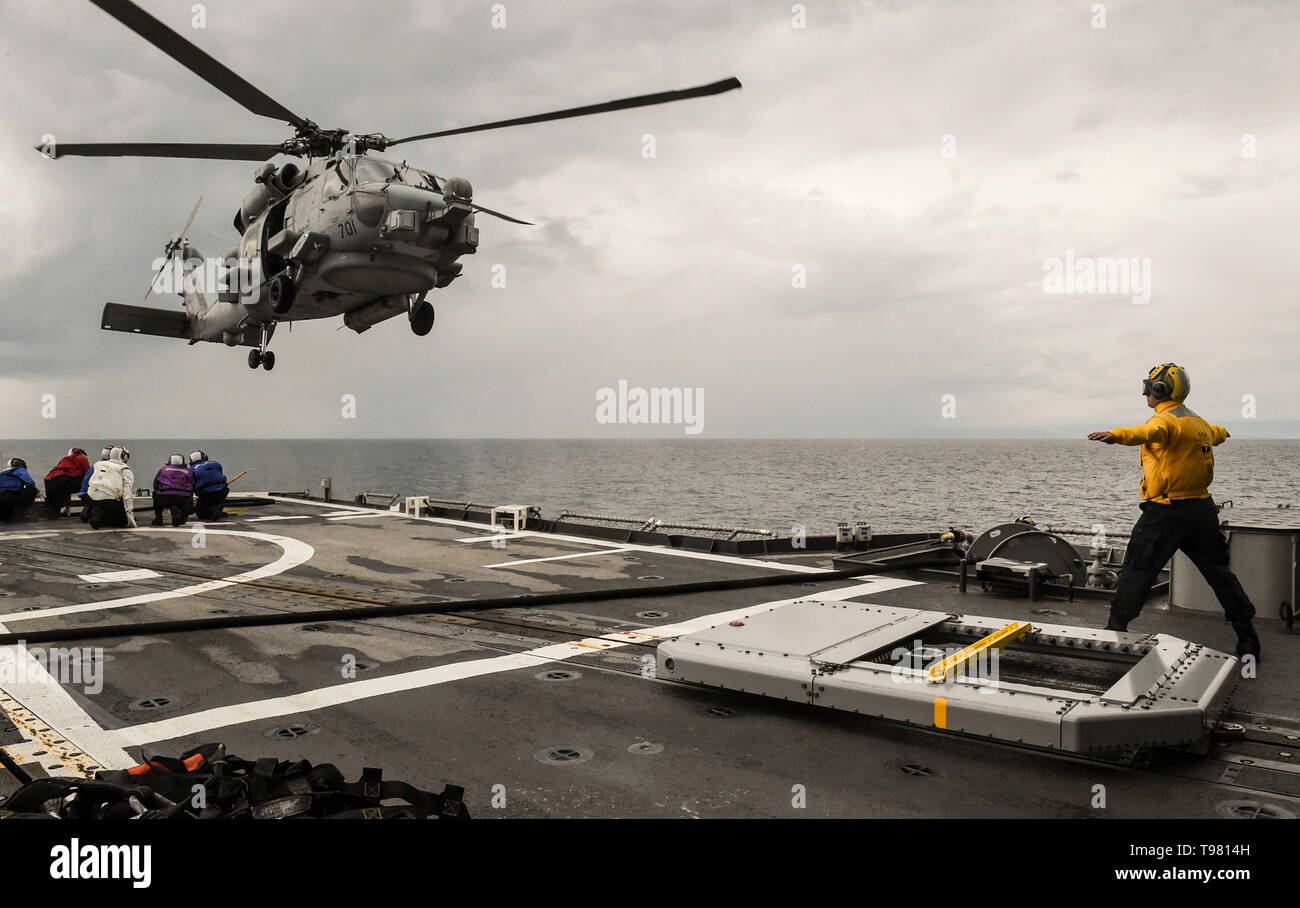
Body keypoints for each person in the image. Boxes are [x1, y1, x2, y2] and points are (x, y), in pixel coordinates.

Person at [1088, 363, 1260, 661]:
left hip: (1166, 513)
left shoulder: (1166, 422)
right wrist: (1224, 432)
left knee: (1137, 572)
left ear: (1160, 389)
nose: (1146, 394)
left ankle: (1115, 630)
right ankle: (1248, 639)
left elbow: (1146, 431)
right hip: (1202, 511)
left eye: (1149, 387)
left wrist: (1116, 435)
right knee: (1220, 575)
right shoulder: (1199, 423)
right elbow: (1217, 433)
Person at [85, 446, 137, 529]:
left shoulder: (97, 464)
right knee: (121, 521)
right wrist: (131, 520)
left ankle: (95, 516)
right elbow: (127, 494)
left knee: (99, 505)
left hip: (90, 496)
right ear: (124, 457)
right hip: (109, 499)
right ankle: (105, 520)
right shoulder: (124, 469)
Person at [43, 447, 92, 517]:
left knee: (53, 513)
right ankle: (88, 509)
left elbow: (66, 489)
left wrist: (68, 507)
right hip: (63, 480)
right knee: (89, 485)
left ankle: (56, 513)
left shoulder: (65, 460)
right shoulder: (82, 458)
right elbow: (88, 474)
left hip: (49, 480)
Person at [151, 454, 194, 527]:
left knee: (155, 494)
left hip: (165, 497)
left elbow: (155, 485)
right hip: (182, 498)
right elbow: (192, 484)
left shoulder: (163, 469)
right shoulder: (189, 471)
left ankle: (159, 519)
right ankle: (182, 517)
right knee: (187, 501)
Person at [190, 450, 229, 521]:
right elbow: (222, 476)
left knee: (201, 515)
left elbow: (192, 484)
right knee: (218, 499)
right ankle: (218, 507)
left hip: (205, 493)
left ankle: (213, 510)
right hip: (222, 491)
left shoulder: (191, 469)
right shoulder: (216, 464)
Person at [79, 447, 113, 523]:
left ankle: (89, 509)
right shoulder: (114, 468)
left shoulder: (96, 466)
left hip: (86, 495)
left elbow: (86, 480)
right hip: (103, 497)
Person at [0, 458, 38, 523]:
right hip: (9, 496)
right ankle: (20, 515)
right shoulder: (18, 470)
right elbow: (31, 483)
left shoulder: (2, 473)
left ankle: (7, 517)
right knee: (33, 490)